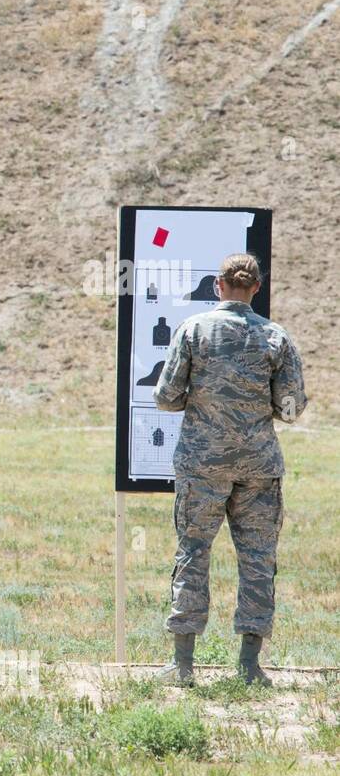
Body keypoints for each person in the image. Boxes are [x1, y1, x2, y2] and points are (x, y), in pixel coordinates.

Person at [154, 253, 307, 687]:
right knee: (258, 560)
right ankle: (249, 665)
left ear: (218, 285)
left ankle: (183, 664)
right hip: (258, 466)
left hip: (202, 465)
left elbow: (166, 396)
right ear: (256, 288)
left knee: (193, 553)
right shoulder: (275, 337)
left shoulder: (193, 330)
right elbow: (292, 408)